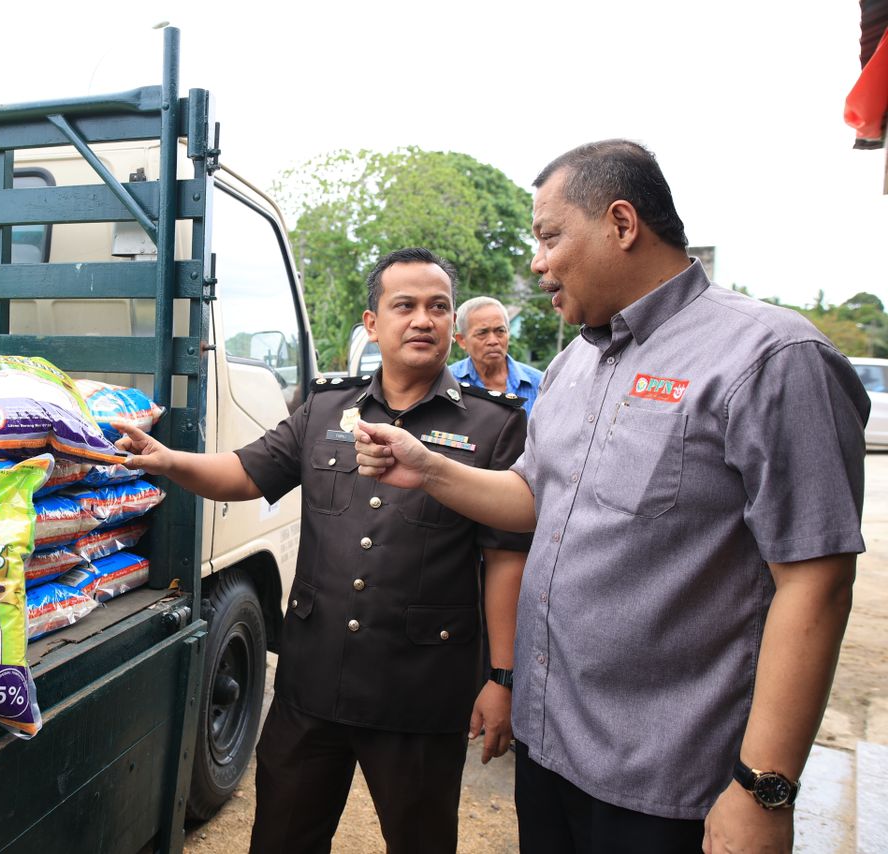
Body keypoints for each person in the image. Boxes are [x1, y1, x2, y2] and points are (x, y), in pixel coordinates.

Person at [354, 141, 870, 853]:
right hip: (552, 751)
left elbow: (816, 582)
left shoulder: (771, 359)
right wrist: (428, 468)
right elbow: (536, 498)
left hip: (670, 781)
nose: (537, 263)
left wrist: (763, 788)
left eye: (549, 236)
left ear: (622, 224)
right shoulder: (575, 362)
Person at [116, 247, 531, 854]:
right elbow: (245, 473)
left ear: (452, 326)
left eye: (438, 307)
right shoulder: (329, 407)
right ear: (371, 323)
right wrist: (168, 461)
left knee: (421, 841)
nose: (423, 320)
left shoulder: (492, 426)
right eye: (405, 306)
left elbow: (505, 558)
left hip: (420, 690)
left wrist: (502, 677)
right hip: (313, 685)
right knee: (282, 837)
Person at [448, 296, 543, 415]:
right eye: (482, 333)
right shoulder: (447, 382)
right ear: (462, 340)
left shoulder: (540, 384)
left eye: (500, 331)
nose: (493, 341)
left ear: (508, 333)